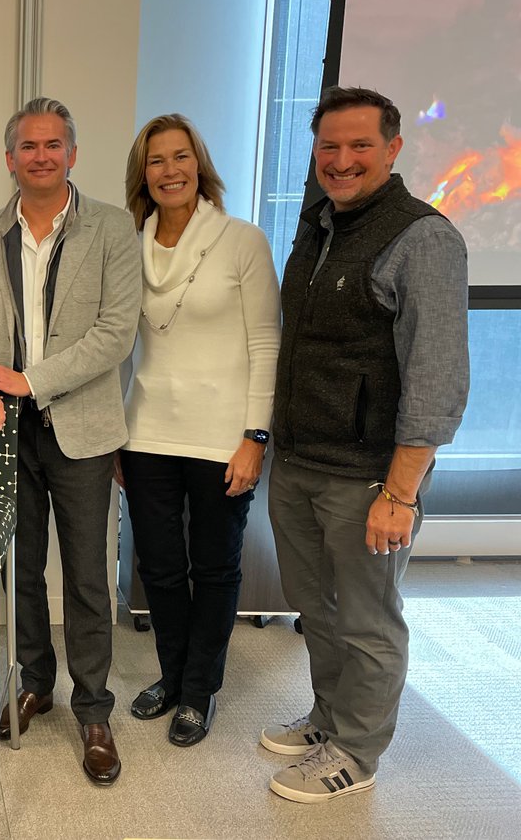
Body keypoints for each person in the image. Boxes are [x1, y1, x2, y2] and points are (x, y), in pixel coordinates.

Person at [263, 86, 468, 802]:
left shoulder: (423, 238)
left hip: (368, 477)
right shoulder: (320, 224)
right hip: (299, 460)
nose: (341, 160)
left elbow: (437, 378)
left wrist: (400, 493)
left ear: (393, 149)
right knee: (316, 607)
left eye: (359, 145)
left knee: (367, 619)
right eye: (329, 146)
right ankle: (329, 718)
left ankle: (356, 751)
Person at [0, 97, 141, 785]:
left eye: (53, 144)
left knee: (88, 576)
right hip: (9, 431)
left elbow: (115, 334)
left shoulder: (111, 228)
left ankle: (93, 708)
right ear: (9, 158)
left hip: (83, 427)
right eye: (28, 146)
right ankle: (35, 681)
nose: (41, 155)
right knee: (23, 567)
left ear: (73, 154)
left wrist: (28, 381)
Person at [117, 114, 281, 747]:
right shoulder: (129, 247)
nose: (170, 170)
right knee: (158, 568)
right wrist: (116, 432)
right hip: (147, 432)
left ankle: (199, 690)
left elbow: (266, 343)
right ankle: (172, 674)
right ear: (143, 174)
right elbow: (119, 347)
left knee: (214, 568)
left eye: (180, 156)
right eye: (156, 160)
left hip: (222, 438)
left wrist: (255, 437)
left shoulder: (242, 241)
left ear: (200, 164)